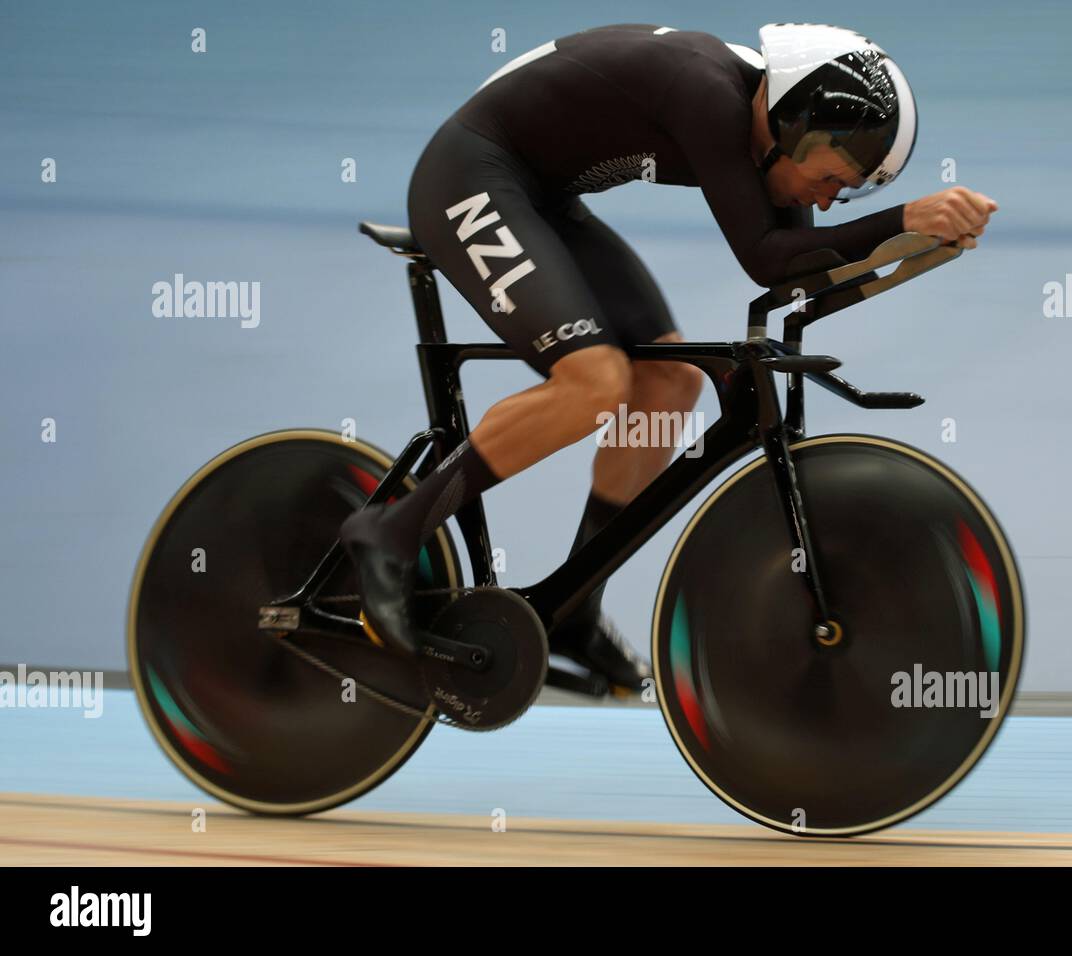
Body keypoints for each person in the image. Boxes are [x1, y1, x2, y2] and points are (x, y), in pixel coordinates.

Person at [340, 22, 998, 693]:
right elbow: (764, 258)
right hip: (470, 175)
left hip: (542, 199)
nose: (829, 200)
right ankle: (391, 534)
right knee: (594, 383)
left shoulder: (766, 123)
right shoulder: (706, 93)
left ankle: (573, 606)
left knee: (671, 384)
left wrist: (918, 249)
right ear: (792, 124)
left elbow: (793, 275)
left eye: (847, 191)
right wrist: (904, 221)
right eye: (831, 179)